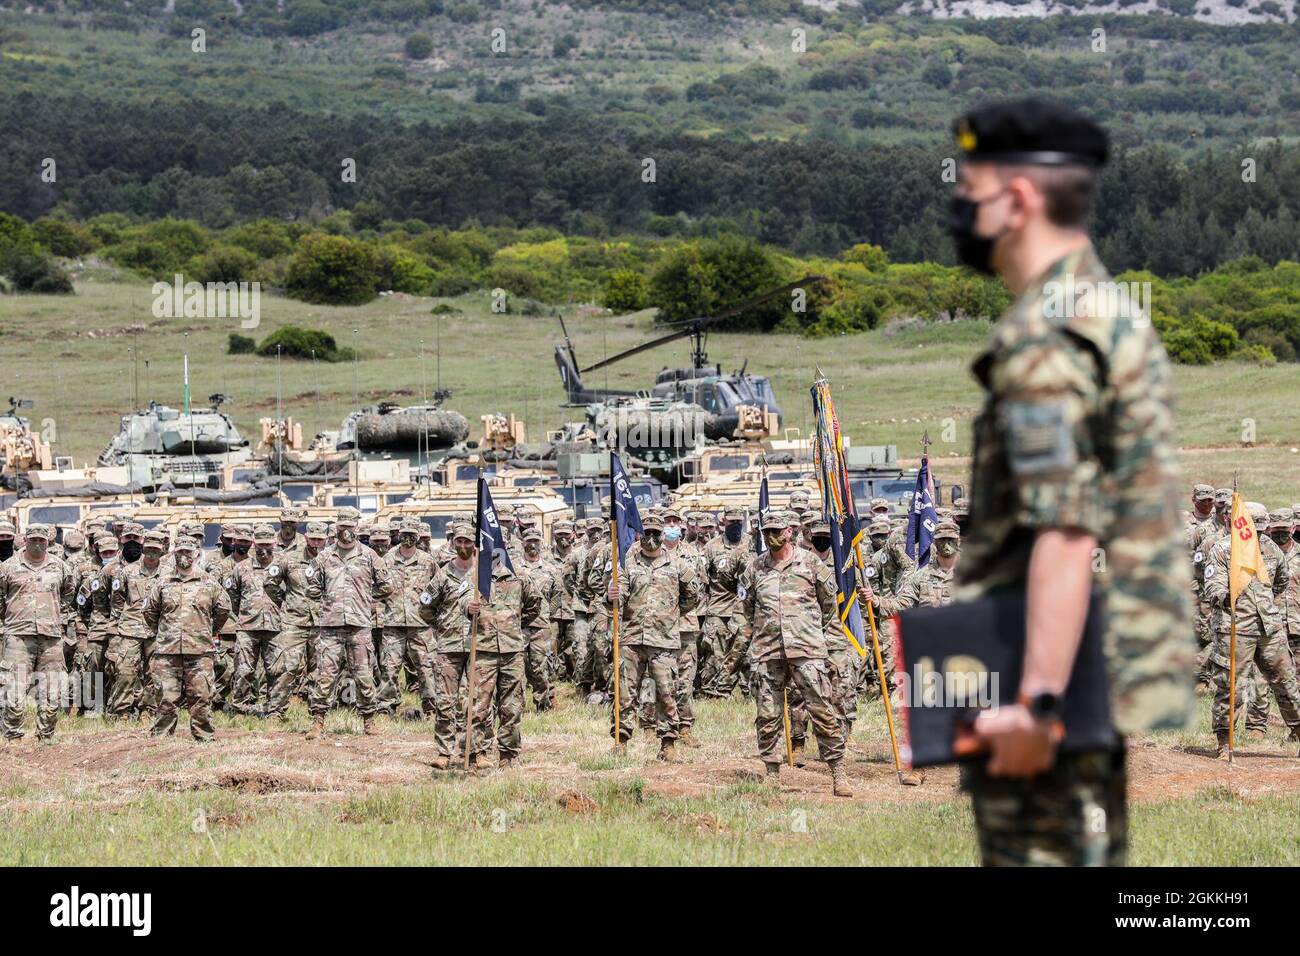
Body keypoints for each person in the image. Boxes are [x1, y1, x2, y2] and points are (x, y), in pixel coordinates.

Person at [948, 97, 1194, 865]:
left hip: (1040, 677)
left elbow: (1063, 527)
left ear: (1017, 200)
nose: (958, 209)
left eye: (969, 191)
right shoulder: (1109, 313)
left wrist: (1035, 706)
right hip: (1101, 668)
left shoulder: (1046, 340)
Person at [725, 510, 851, 796]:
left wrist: (826, 645)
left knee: (822, 710)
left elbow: (829, 607)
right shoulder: (754, 569)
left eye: (776, 531)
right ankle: (771, 770)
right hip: (767, 652)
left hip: (806, 650)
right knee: (767, 714)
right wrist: (740, 652)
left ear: (789, 532)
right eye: (766, 531)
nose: (771, 536)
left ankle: (837, 770)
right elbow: (744, 612)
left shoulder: (811, 564)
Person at [1202, 502, 1300, 756]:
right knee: (1231, 684)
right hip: (1235, 627)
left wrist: (1265, 604)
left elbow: (1281, 579)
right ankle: (1225, 740)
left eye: (1259, 529)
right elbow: (1211, 585)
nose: (1255, 534)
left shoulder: (1270, 548)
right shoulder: (1223, 550)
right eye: (1251, 528)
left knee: (1286, 681)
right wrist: (1226, 597)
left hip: (1269, 626)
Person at [601, 512, 699, 761]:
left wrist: (670, 616)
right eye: (647, 534)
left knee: (666, 692)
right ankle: (621, 740)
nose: (652, 539)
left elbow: (691, 596)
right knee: (625, 692)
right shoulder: (627, 564)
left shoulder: (678, 565)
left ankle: (668, 744)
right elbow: (618, 596)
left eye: (656, 534)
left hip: (664, 640)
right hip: (633, 639)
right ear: (639, 535)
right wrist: (612, 596)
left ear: (663, 535)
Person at [304, 507, 393, 738]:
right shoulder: (323, 557)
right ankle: (317, 722)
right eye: (342, 527)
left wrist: (367, 599)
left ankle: (369, 721)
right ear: (336, 527)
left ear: (357, 528)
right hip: (331, 625)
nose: (346, 531)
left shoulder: (369, 555)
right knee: (325, 674)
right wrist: (328, 599)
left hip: (359, 624)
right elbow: (311, 589)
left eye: (350, 527)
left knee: (364, 674)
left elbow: (387, 585)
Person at [143, 535, 231, 741]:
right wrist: (164, 634)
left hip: (200, 651)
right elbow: (150, 612)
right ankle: (162, 738)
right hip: (168, 651)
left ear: (196, 554)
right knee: (166, 697)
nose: (184, 555)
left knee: (201, 697)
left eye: (188, 552)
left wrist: (206, 631)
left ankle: (203, 737)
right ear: (174, 553)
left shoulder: (209, 583)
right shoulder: (163, 583)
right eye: (180, 551)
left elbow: (223, 610)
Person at [0, 524, 76, 741]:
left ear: (47, 542)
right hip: (18, 637)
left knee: (53, 692)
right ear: (24, 540)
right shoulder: (8, 567)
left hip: (51, 637)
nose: (37, 543)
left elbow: (68, 595)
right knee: (13, 691)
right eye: (32, 539)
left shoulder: (60, 567)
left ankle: (46, 737)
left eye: (41, 540)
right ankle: (12, 738)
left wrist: (53, 617)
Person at [375, 517, 438, 717]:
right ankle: (386, 706)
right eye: (404, 535)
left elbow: (437, 589)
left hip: (420, 623)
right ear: (398, 535)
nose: (408, 539)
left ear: (418, 536)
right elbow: (376, 587)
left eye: (412, 535)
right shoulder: (387, 560)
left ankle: (431, 706)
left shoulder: (428, 561)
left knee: (426, 667)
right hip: (393, 623)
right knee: (389, 666)